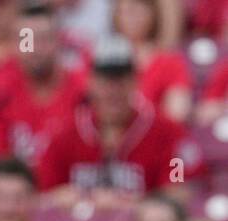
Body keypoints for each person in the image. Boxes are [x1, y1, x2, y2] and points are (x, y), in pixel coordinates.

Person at [36, 35, 200, 208]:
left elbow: (179, 193)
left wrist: (130, 204)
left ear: (135, 81)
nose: (113, 90)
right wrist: (60, 199)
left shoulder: (169, 133)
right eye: (105, 81)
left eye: (120, 80)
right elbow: (41, 196)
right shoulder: (64, 132)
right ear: (90, 82)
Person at [0, 3, 87, 167]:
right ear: (14, 44)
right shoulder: (4, 95)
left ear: (58, 41)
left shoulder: (83, 93)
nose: (34, 49)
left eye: (43, 39)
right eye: (26, 40)